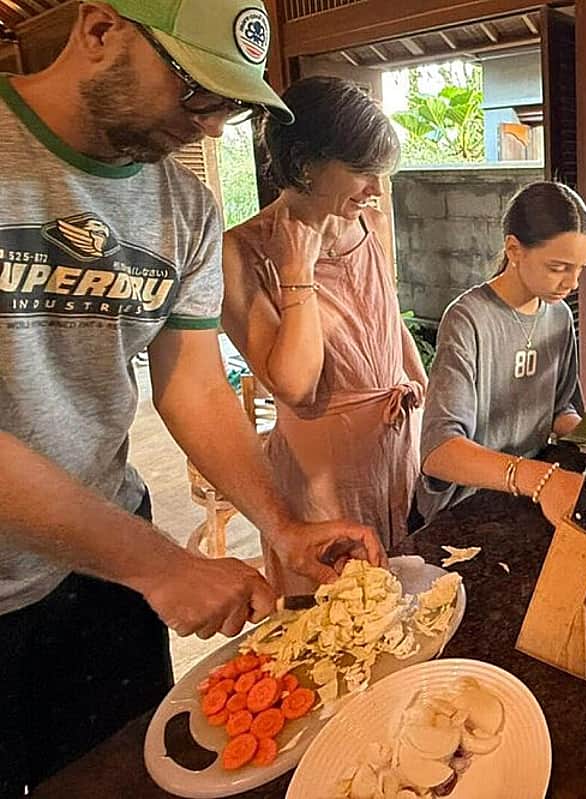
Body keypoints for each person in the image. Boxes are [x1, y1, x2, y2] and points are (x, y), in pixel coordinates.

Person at [0, 2, 382, 794]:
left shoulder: (183, 209)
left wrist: (282, 525)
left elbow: (195, 384)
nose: (210, 127)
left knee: (128, 774)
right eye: (196, 92)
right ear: (99, 30)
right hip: (69, 570)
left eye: (230, 107)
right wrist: (160, 563)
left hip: (104, 565)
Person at [222, 76, 426, 594]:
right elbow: (296, 385)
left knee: (413, 596)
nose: (376, 188)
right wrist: (297, 272)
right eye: (362, 171)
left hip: (397, 448)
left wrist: (419, 381)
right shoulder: (240, 252)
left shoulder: (373, 223)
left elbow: (387, 313)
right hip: (324, 476)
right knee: (343, 608)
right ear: (306, 164)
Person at [419, 182, 586, 526]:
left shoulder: (559, 316)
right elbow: (440, 451)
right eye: (558, 267)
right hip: (468, 504)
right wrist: (538, 479)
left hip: (525, 495)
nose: (572, 283)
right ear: (514, 250)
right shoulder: (469, 319)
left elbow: (559, 410)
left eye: (581, 268)